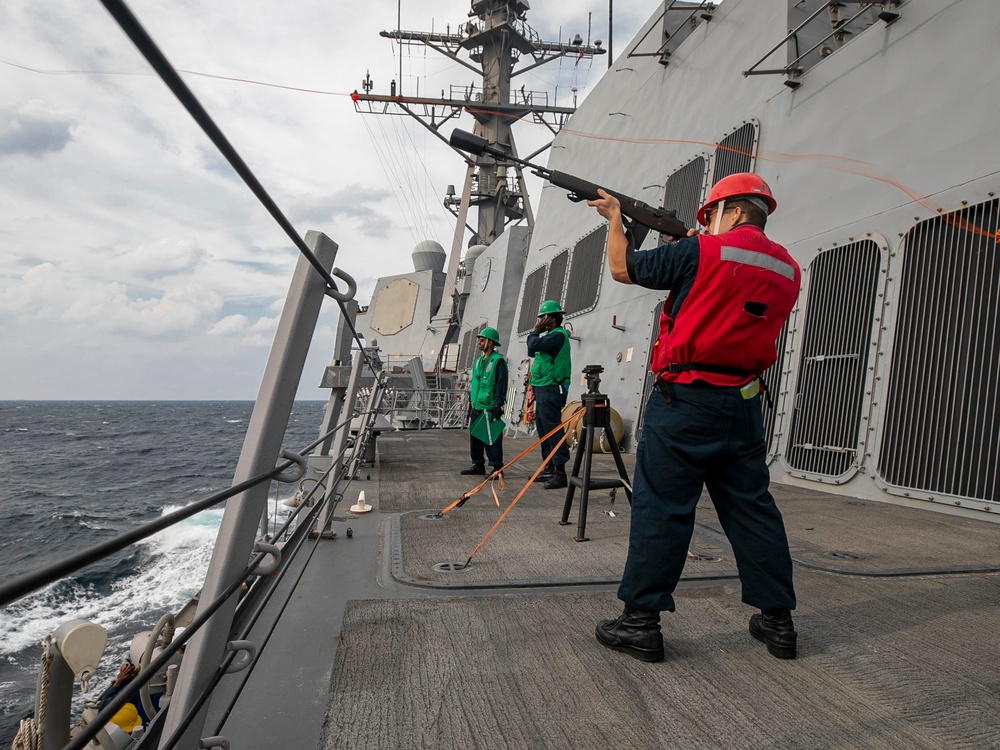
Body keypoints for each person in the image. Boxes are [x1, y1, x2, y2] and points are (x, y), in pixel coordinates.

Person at [587, 173, 801, 662]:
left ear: (730, 211)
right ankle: (778, 622)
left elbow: (623, 268)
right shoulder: (789, 268)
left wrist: (616, 220)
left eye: (712, 216)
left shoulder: (698, 253)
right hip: (743, 403)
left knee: (662, 509)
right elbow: (731, 294)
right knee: (753, 510)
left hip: (685, 399)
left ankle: (640, 623)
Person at [526, 300, 572, 489]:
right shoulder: (550, 337)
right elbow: (532, 350)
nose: (540, 321)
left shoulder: (557, 336)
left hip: (551, 388)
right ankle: (549, 468)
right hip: (542, 388)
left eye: (543, 318)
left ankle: (560, 473)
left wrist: (536, 329)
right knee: (544, 431)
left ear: (550, 319)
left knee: (553, 431)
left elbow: (532, 345)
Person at [460, 327, 508, 477]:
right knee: (475, 437)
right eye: (479, 340)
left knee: (491, 438)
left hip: (489, 405)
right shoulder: (478, 361)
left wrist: (497, 404)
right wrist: (470, 403)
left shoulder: (497, 361)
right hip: (476, 405)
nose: (479, 343)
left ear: (490, 342)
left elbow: (501, 383)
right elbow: (475, 384)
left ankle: (497, 468)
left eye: (482, 340)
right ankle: (478, 465)